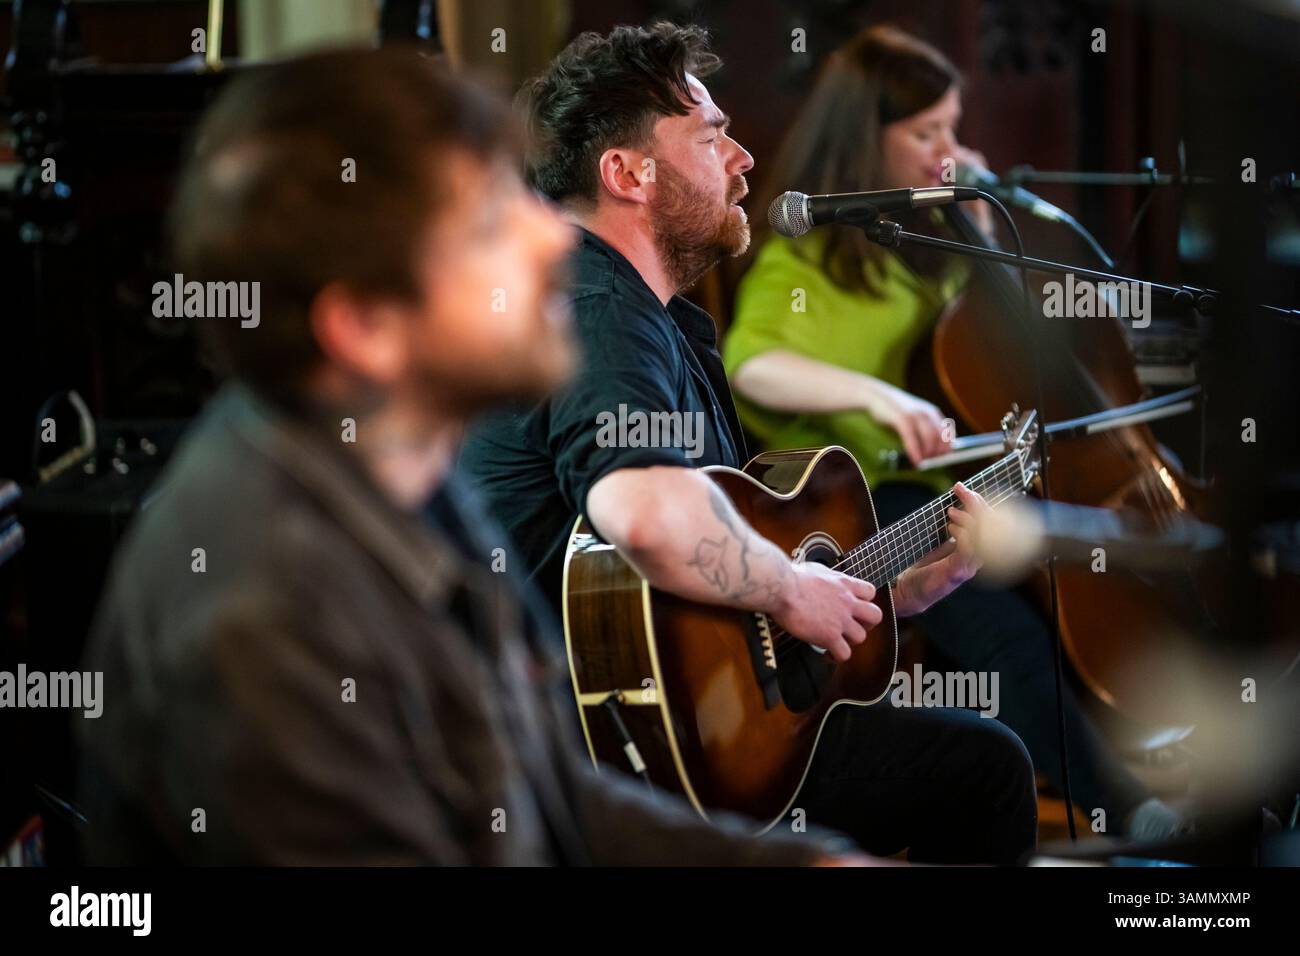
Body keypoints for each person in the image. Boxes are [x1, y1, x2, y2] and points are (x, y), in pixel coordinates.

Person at [77, 48, 863, 865]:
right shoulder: (267, 619)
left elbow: (549, 795)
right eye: (489, 222)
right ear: (366, 328)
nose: (550, 239)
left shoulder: (412, 476)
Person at [459, 22, 1038, 864]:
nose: (744, 159)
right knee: (984, 769)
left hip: (684, 728)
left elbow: (719, 564)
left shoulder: (654, 320)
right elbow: (648, 518)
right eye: (712, 134)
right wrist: (789, 590)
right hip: (607, 760)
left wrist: (896, 589)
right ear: (628, 173)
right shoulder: (600, 312)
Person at [724, 23, 1183, 839]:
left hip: (950, 479)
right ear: (868, 135)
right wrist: (876, 397)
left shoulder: (921, 244)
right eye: (926, 131)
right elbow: (750, 362)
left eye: (952, 127)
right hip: (855, 502)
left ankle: (1172, 749)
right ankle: (1124, 804)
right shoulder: (806, 261)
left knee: (1058, 547)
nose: (949, 148)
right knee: (993, 607)